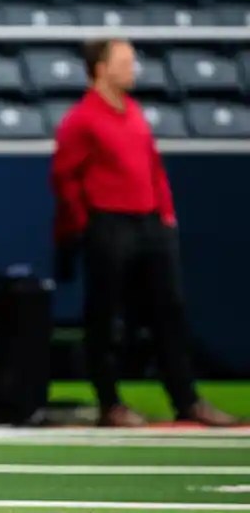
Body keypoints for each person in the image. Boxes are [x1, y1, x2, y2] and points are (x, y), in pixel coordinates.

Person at [51, 38, 237, 428]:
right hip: (109, 224)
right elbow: (64, 178)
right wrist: (85, 225)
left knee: (170, 312)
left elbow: (153, 166)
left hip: (150, 223)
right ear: (101, 69)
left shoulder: (132, 111)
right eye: (125, 61)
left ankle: (186, 399)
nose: (133, 68)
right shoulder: (81, 119)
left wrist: (166, 215)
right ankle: (110, 403)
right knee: (106, 317)